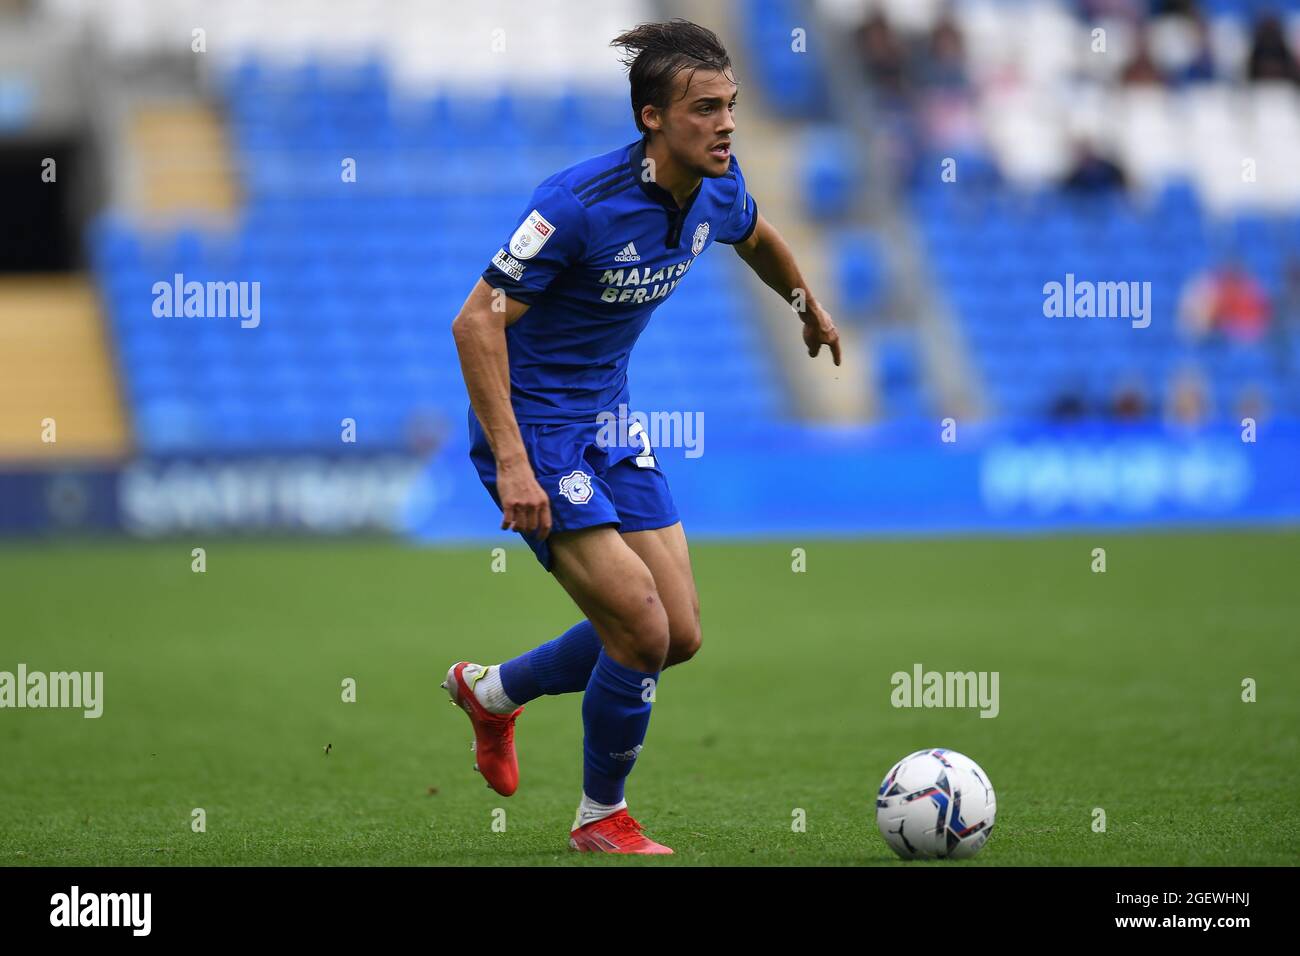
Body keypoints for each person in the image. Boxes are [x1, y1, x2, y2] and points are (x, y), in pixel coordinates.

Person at [445, 19, 841, 854]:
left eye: (731, 105)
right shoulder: (576, 206)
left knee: (678, 636)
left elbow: (759, 238)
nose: (726, 124)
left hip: (611, 422)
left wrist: (806, 306)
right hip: (537, 434)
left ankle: (493, 692)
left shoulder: (720, 187)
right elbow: (475, 322)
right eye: (705, 109)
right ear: (652, 119)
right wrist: (513, 463)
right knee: (641, 630)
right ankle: (600, 818)